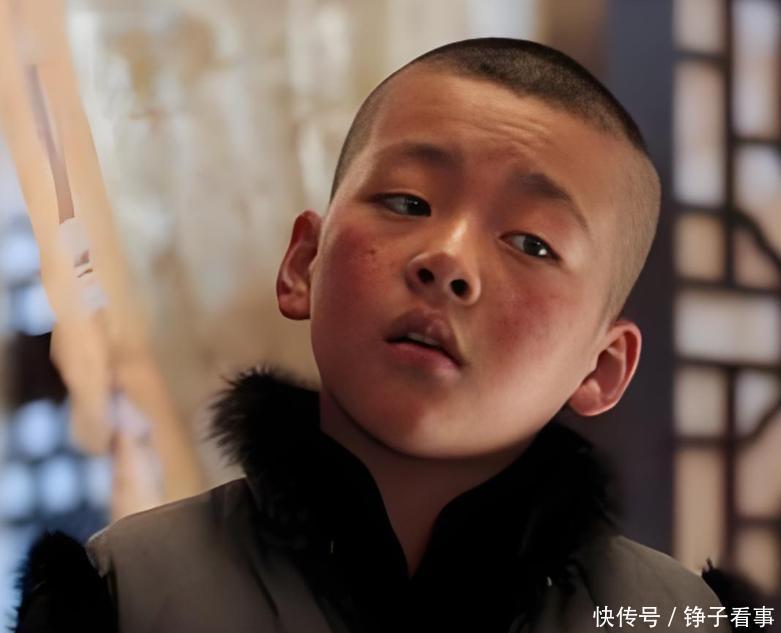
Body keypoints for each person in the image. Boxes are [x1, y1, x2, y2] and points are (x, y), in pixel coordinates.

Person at [15, 38, 723, 633]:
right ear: (303, 264)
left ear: (601, 367)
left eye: (532, 243)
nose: (448, 259)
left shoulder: (674, 616)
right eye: (408, 201)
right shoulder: (123, 590)